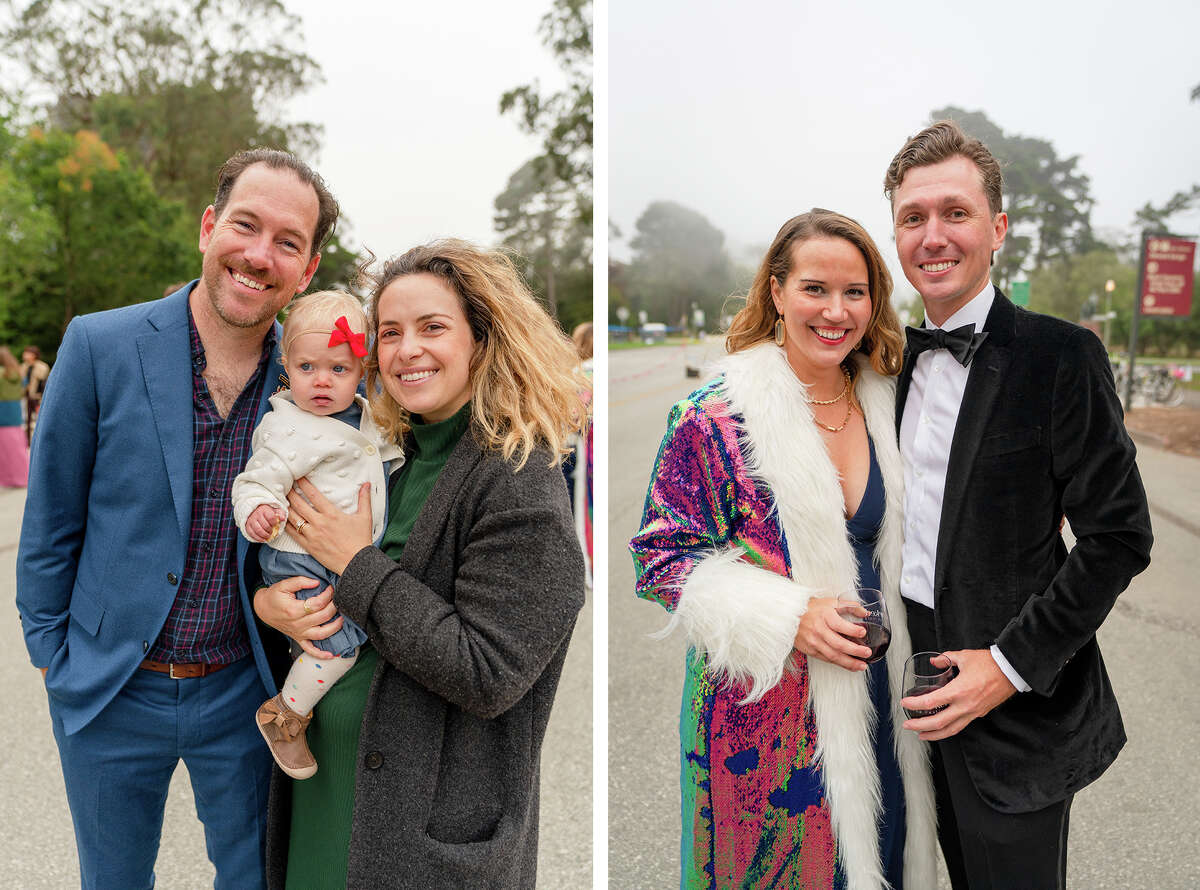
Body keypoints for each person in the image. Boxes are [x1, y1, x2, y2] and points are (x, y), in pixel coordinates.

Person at [15, 147, 338, 890]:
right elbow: (51, 519)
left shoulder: (315, 379)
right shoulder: (98, 345)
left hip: (246, 689)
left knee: (252, 879)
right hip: (107, 690)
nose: (260, 256)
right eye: (246, 226)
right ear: (208, 226)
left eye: (287, 243)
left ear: (308, 269)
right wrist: (49, 654)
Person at [251, 239, 587, 889]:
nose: (407, 349)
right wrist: (273, 609)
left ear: (482, 341)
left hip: (418, 838)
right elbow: (304, 571)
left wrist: (355, 563)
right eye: (390, 332)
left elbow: (488, 671)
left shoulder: (519, 484)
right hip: (324, 791)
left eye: (433, 327)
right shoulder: (381, 454)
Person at [630, 209, 938, 889]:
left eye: (855, 292)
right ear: (775, 292)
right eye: (814, 289)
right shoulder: (713, 418)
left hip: (883, 705)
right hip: (763, 727)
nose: (836, 310)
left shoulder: (895, 406)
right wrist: (784, 613)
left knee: (883, 864)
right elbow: (661, 558)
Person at [884, 120, 1154, 889]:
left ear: (997, 228)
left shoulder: (1062, 356)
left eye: (955, 213)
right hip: (909, 701)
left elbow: (1118, 537)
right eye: (913, 218)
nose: (933, 236)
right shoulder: (887, 366)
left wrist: (1006, 668)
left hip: (1019, 711)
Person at [231, 291, 403, 780]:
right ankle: (284, 715)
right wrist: (259, 510)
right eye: (307, 367)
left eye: (339, 369)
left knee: (340, 633)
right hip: (298, 558)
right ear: (286, 367)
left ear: (362, 372)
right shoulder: (286, 428)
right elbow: (254, 481)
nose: (322, 381)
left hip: (341, 554)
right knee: (335, 644)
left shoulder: (363, 415)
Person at [0, 345, 30, 487]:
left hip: (2, 411)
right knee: (17, 447)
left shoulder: (1, 374)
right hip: (15, 410)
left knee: (4, 450)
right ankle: (22, 477)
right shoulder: (18, 372)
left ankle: (7, 478)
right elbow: (23, 388)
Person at [18, 344, 49, 446]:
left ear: (34, 355)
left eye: (28, 353)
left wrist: (41, 397)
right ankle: (27, 442)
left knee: (39, 420)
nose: (25, 355)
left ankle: (40, 442)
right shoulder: (23, 366)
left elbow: (44, 383)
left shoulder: (42, 366)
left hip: (37, 397)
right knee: (26, 420)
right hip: (25, 396)